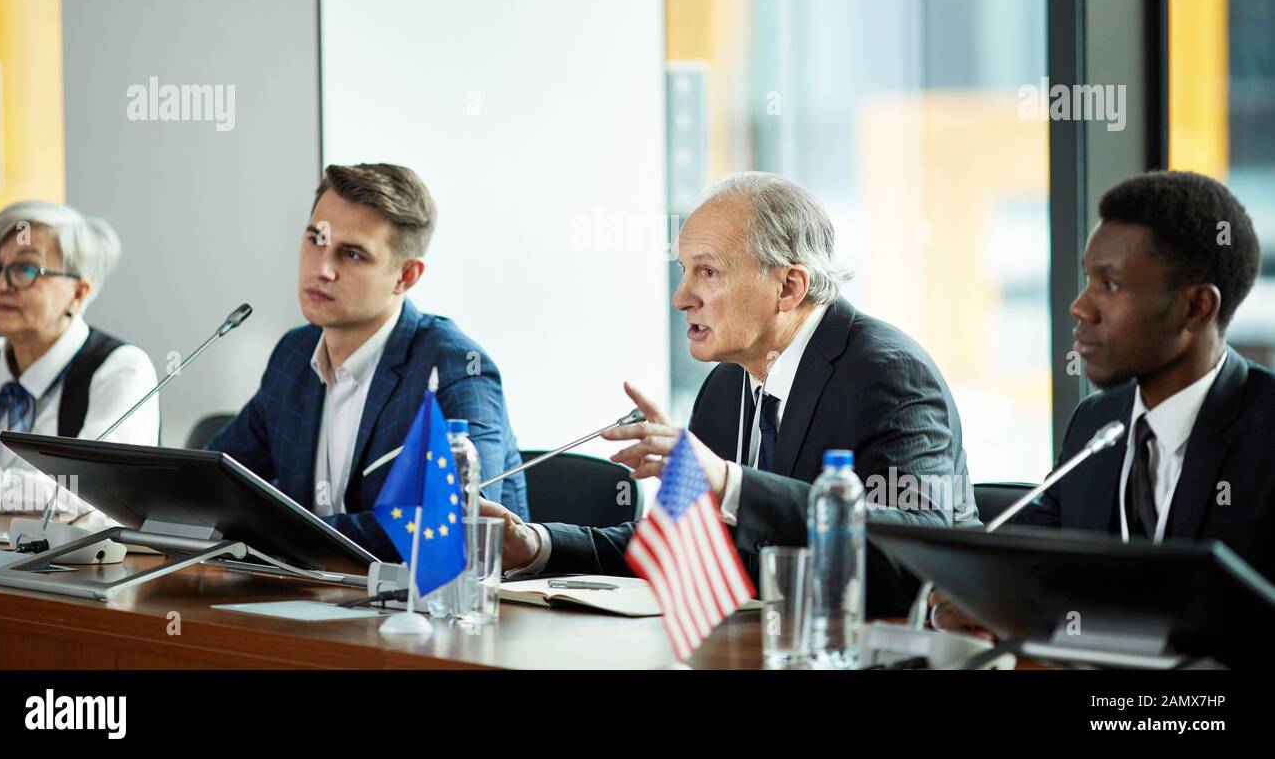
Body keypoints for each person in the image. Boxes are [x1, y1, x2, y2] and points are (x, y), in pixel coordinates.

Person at [484, 172, 979, 615]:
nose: (681, 297)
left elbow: (920, 552)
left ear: (788, 287)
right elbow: (679, 546)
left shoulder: (887, 373)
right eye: (684, 270)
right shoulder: (727, 384)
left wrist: (728, 482)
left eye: (708, 272)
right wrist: (536, 546)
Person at [932, 170, 1274, 636]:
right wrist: (980, 595)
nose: (1081, 307)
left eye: (1109, 285)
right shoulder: (1097, 423)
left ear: (1196, 308)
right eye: (1087, 279)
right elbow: (1028, 561)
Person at [209, 163, 528, 558]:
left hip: (435, 613)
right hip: (308, 602)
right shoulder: (293, 355)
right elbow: (212, 481)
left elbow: (453, 523)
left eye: (353, 254)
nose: (322, 269)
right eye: (316, 240)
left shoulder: (456, 369)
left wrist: (277, 534)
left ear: (406, 276)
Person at [0, 201, 158, 521]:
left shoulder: (121, 370)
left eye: (25, 269)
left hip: (75, 568)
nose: (0, 285)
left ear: (78, 293)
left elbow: (92, 488)